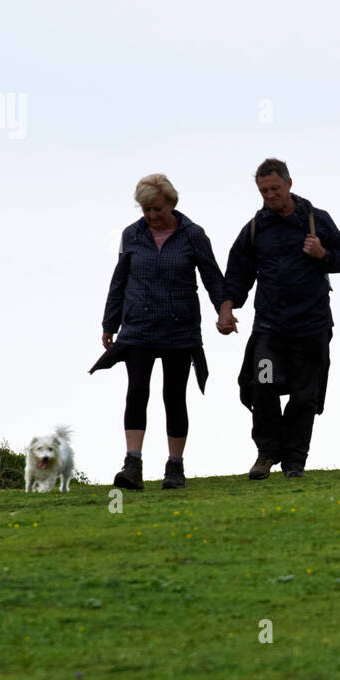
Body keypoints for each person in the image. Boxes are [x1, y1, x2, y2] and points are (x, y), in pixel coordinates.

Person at [217, 158, 340, 479]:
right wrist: (227, 308)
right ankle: (266, 454)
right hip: (269, 330)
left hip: (312, 327)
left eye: (275, 188)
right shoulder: (255, 229)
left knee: (305, 395)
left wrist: (324, 255)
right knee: (262, 385)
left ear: (289, 185)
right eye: (264, 190)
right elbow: (237, 273)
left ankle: (294, 462)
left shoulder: (316, 221)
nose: (270, 195)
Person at [96, 173, 226, 490]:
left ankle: (175, 467)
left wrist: (224, 310)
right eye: (146, 210)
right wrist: (109, 323)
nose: (152, 216)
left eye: (157, 209)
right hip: (138, 327)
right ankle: (132, 464)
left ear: (171, 203)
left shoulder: (193, 235)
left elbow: (212, 276)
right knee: (137, 390)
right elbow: (120, 280)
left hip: (179, 329)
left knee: (174, 396)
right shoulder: (131, 235)